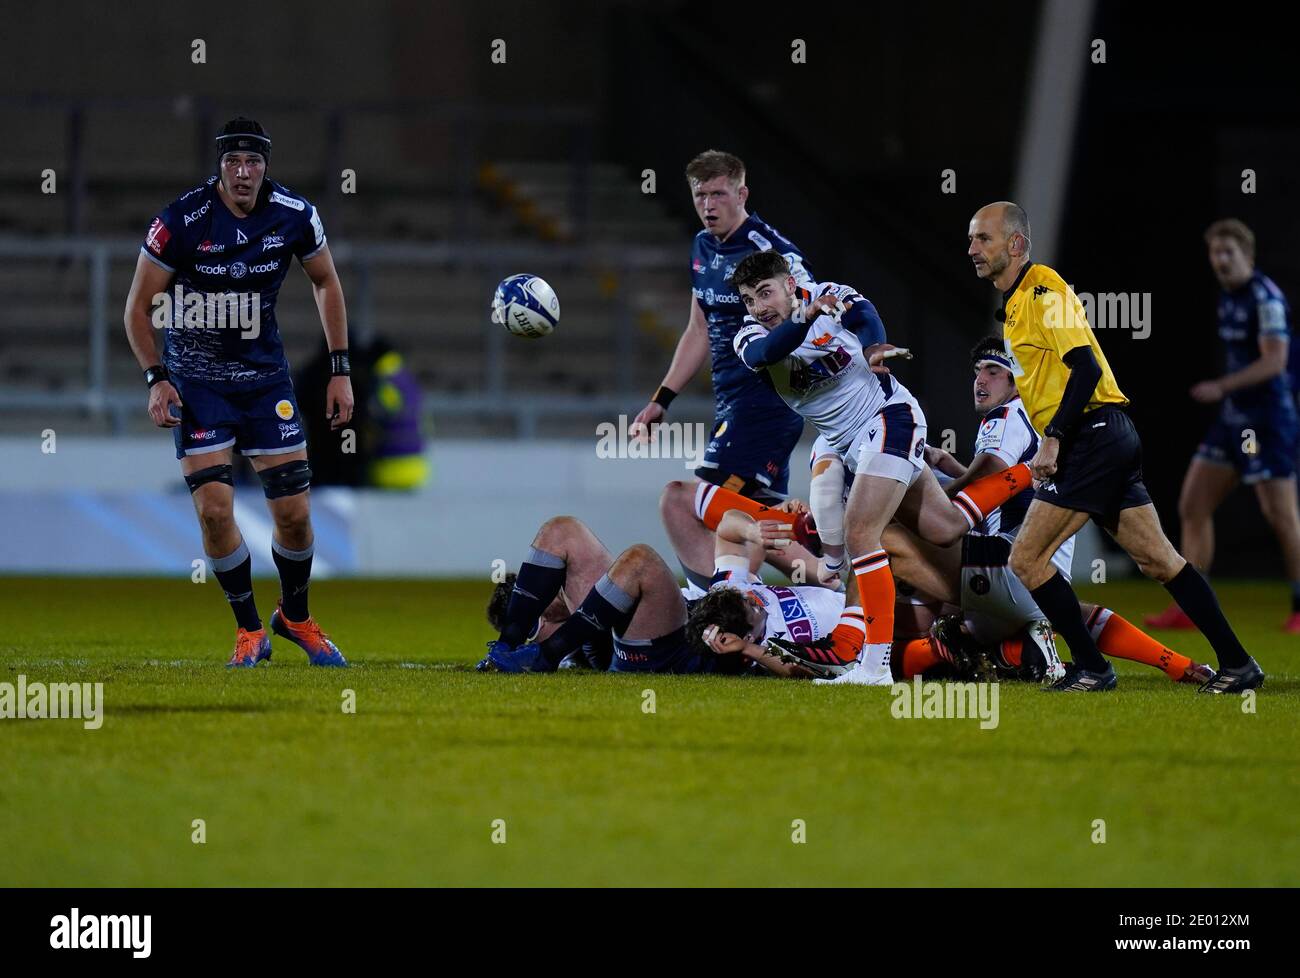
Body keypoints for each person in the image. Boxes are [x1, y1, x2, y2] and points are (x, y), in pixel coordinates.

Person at [967, 201, 1262, 692]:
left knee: (1026, 560)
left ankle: (1092, 667)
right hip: (1107, 437)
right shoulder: (1020, 303)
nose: (972, 249)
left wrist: (1054, 439)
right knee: (1160, 562)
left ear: (1015, 245)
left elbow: (1086, 368)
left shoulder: (1044, 289)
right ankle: (1238, 664)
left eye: (983, 239)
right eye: (972, 239)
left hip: (1091, 438)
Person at [728, 252, 1034, 685]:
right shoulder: (750, 335)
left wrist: (872, 345)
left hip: (889, 417)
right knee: (943, 526)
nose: (758, 307)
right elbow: (766, 352)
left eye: (765, 292)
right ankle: (1033, 471)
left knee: (861, 534)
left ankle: (872, 666)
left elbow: (865, 313)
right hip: (843, 440)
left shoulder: (824, 296)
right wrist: (803, 318)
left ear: (789, 284)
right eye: (748, 299)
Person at [123, 117, 352, 667]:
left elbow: (325, 281)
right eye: (233, 163)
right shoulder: (181, 221)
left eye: (253, 162)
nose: (243, 173)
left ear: (266, 165)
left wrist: (340, 369)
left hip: (264, 381)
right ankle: (250, 630)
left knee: (295, 515)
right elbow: (137, 308)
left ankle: (294, 616)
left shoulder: (295, 215)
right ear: (219, 166)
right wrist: (157, 378)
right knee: (215, 512)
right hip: (198, 385)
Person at [632, 150, 820, 592]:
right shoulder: (702, 247)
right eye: (700, 195)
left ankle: (715, 600)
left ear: (742, 193)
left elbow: (814, 319)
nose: (708, 205)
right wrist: (662, 400)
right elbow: (699, 328)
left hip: (766, 406)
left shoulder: (773, 255)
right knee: (756, 519)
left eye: (719, 193)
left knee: (702, 501)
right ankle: (828, 590)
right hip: (731, 406)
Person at [1146, 218, 1300, 632]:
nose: (1221, 260)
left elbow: (1275, 361)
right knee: (1193, 504)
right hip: (1234, 421)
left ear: (1248, 256)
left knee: (1281, 515)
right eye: (1215, 253)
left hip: (1267, 423)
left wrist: (1222, 386)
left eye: (1229, 252)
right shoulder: (1228, 298)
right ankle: (1192, 607)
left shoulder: (1265, 299)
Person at [476, 512, 813, 677]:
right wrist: (826, 566)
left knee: (624, 556)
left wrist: (748, 648)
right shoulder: (745, 592)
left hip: (671, 643)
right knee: (624, 555)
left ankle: (540, 656)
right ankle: (509, 649)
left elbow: (818, 673)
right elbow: (729, 527)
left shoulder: (848, 631)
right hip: (660, 631)